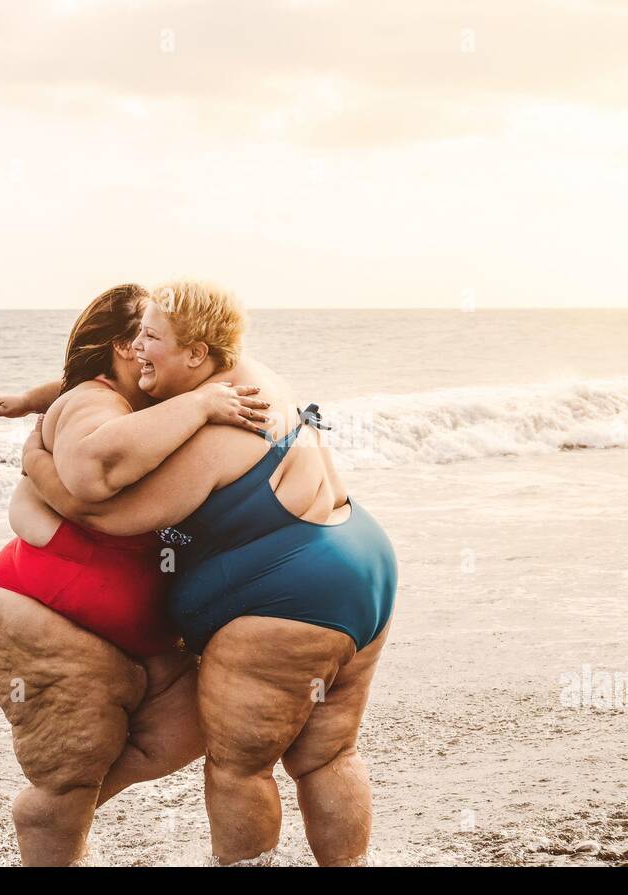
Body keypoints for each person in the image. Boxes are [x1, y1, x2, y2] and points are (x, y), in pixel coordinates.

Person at [22, 280, 397, 865]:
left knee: (240, 769)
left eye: (150, 337)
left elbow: (106, 510)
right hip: (360, 564)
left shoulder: (221, 427)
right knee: (327, 754)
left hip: (288, 600)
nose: (136, 349)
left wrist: (34, 462)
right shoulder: (246, 375)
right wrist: (41, 397)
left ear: (196, 354)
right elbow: (140, 399)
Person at [0, 283, 270, 865]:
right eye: (145, 333)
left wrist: (26, 402)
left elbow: (59, 389)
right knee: (71, 768)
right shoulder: (96, 402)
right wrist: (203, 405)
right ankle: (53, 812)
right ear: (123, 348)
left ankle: (63, 807)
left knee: (199, 725)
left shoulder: (145, 403)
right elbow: (89, 466)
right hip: (51, 622)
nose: (153, 340)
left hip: (136, 633)